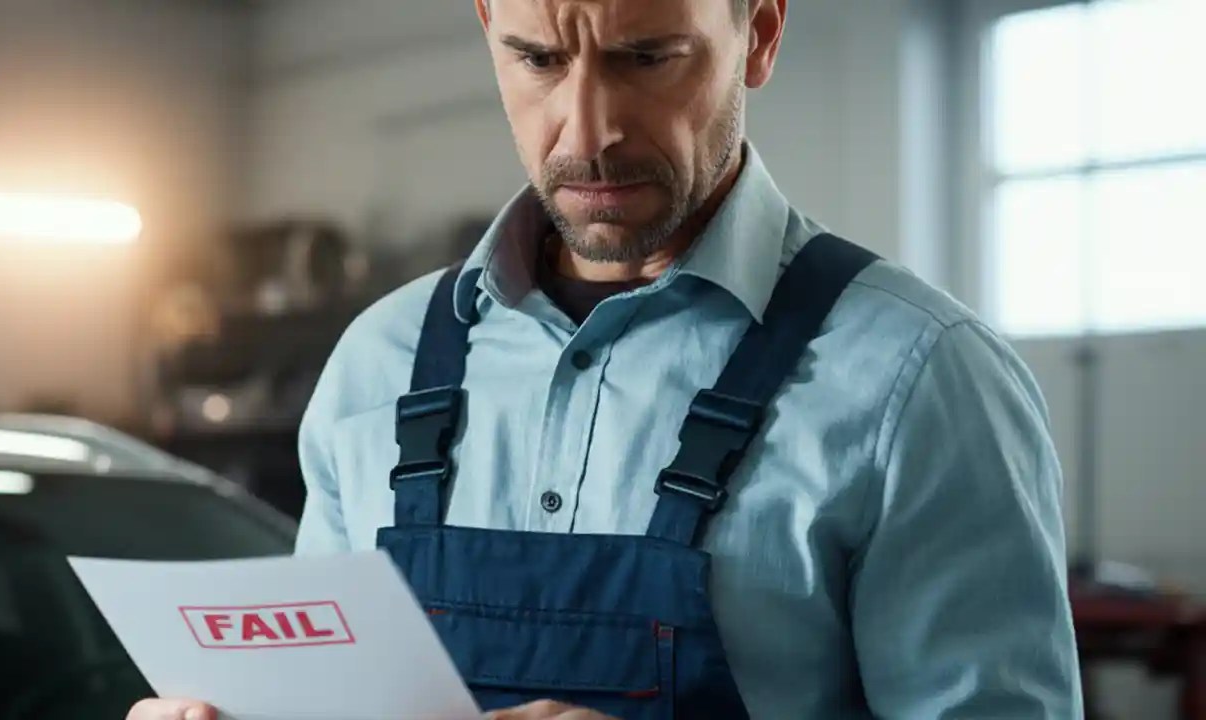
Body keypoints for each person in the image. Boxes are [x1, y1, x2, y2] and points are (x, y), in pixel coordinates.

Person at [130, 0, 1082, 718]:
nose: (587, 132)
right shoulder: (378, 365)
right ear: (488, 28)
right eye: (539, 59)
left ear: (759, 33)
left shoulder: (921, 381)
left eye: (646, 57)